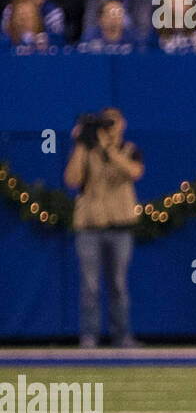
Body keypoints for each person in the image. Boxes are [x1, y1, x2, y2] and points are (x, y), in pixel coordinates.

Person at [63, 109, 144, 348]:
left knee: (118, 283)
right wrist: (81, 144)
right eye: (105, 123)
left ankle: (121, 336)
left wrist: (108, 148)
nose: (109, 127)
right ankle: (89, 336)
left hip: (120, 227)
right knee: (90, 284)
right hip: (89, 226)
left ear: (122, 124)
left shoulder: (128, 150)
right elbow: (72, 180)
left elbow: (134, 172)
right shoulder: (86, 151)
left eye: (113, 122)